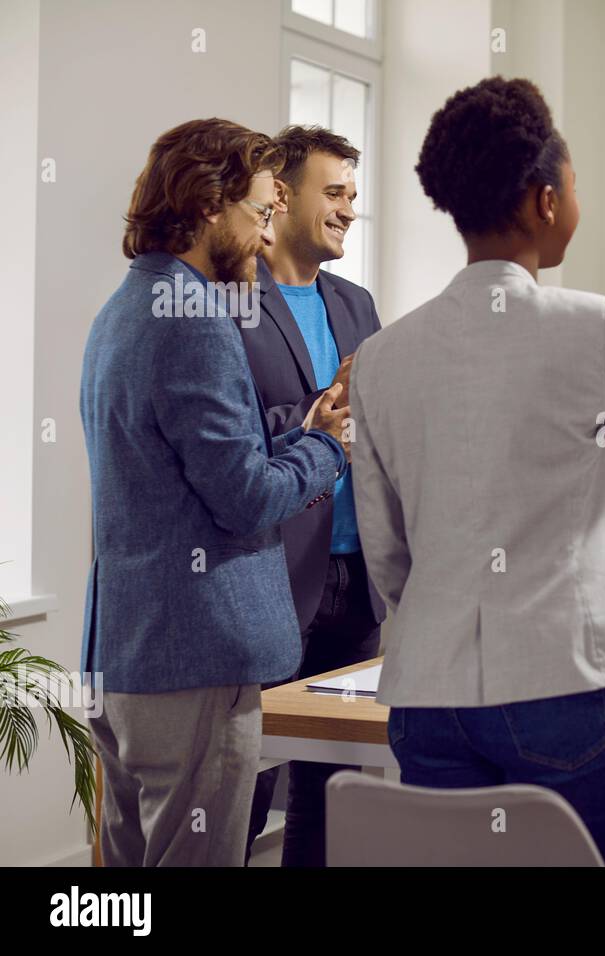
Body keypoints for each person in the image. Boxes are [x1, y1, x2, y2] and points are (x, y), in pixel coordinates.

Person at [346, 77, 605, 868]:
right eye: (573, 186)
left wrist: (445, 619)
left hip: (428, 697)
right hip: (563, 690)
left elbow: (387, 549)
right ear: (543, 200)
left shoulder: (384, 356)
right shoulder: (587, 322)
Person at [80, 118, 351, 866]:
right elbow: (244, 499)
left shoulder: (122, 310)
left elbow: (193, 476)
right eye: (262, 213)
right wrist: (329, 446)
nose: (267, 238)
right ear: (209, 205)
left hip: (126, 658)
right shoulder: (197, 319)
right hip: (195, 661)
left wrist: (299, 435)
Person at [238, 125, 385, 868]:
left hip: (356, 582)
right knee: (246, 790)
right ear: (283, 194)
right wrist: (315, 416)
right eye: (334, 193)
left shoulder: (357, 304)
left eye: (353, 196)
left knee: (332, 795)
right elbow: (222, 440)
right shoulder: (228, 297)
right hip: (269, 582)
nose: (348, 209)